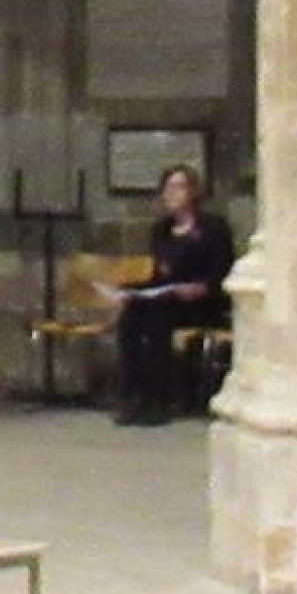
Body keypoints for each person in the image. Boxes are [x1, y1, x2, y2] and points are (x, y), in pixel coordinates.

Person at [110, 162, 238, 425]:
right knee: (131, 316)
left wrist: (200, 287)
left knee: (158, 318)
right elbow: (160, 277)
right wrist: (131, 292)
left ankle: (160, 400)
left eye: (179, 187)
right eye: (168, 188)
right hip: (170, 297)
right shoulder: (162, 230)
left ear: (193, 191)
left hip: (204, 302)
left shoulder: (213, 228)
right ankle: (133, 396)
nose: (172, 193)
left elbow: (223, 271)